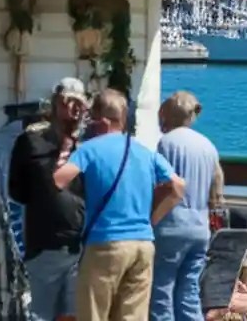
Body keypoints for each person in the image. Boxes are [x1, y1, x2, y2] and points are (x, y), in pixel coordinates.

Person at [54, 89, 186, 321]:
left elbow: (58, 180)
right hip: (143, 244)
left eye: (93, 119)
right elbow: (177, 186)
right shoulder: (145, 152)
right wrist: (150, 219)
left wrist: (65, 152)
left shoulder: (90, 149)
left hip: (105, 244)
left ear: (102, 120)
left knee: (93, 314)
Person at [8, 78, 90, 321]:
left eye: (79, 104)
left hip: (81, 246)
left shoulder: (88, 146)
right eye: (68, 102)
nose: (74, 109)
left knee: (73, 315)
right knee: (42, 315)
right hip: (45, 245)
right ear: (55, 104)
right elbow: (17, 191)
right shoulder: (31, 142)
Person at [151, 91, 222, 321]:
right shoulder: (208, 145)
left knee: (162, 289)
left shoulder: (166, 143)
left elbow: (160, 184)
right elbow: (216, 187)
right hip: (200, 227)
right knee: (189, 290)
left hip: (171, 225)